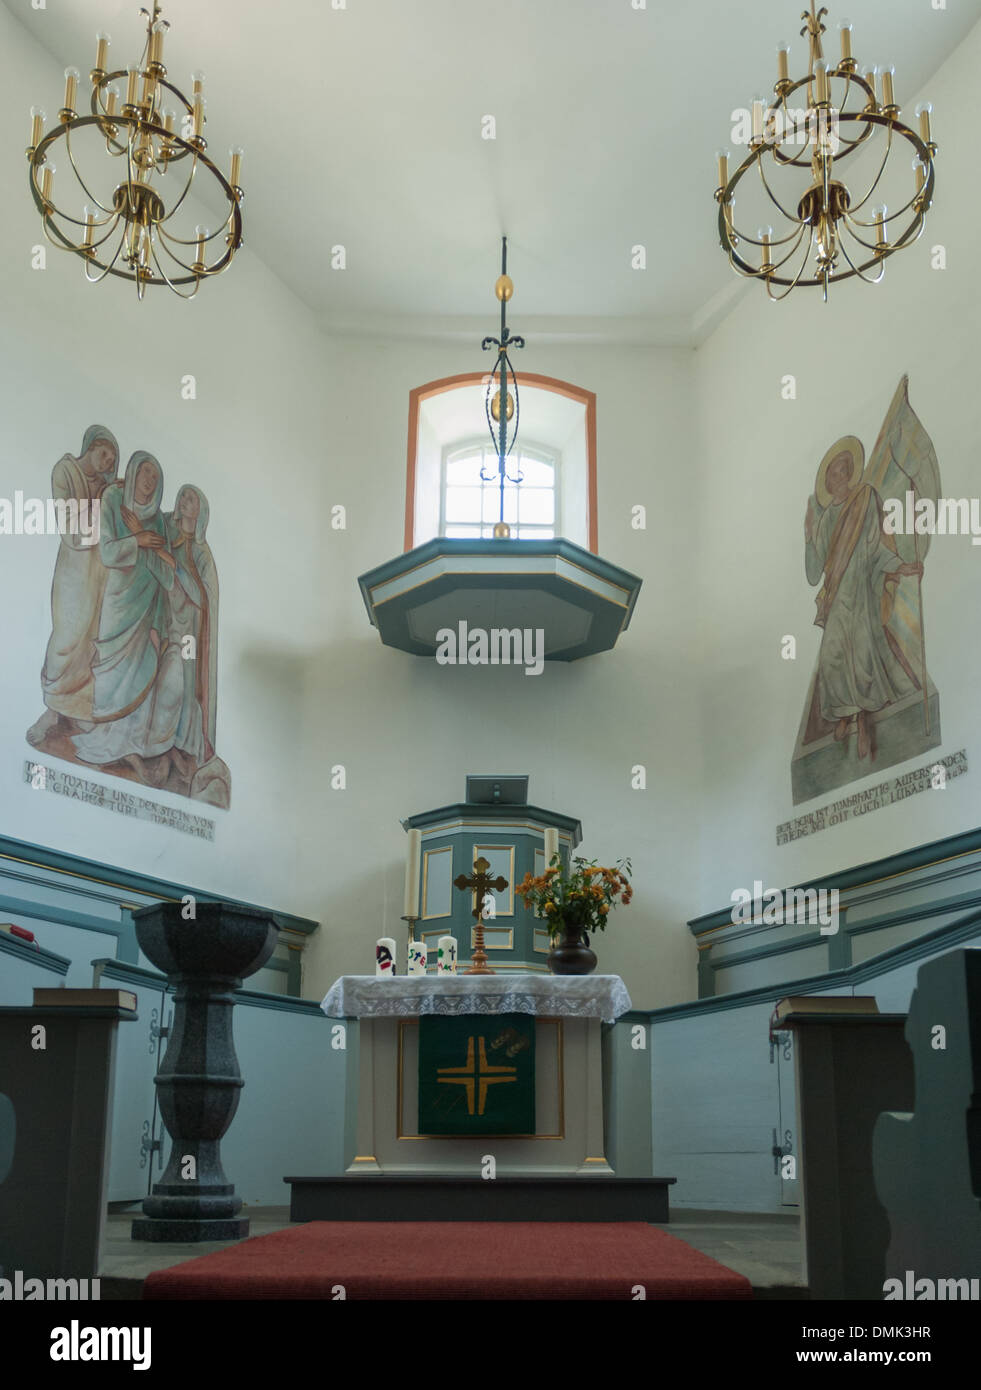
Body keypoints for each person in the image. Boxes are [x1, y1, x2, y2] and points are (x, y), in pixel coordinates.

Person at [804, 438, 923, 761]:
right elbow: (814, 572)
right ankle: (844, 713)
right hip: (836, 597)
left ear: (851, 472)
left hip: (861, 592)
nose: (837, 478)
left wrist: (900, 566)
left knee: (863, 659)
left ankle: (864, 723)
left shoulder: (865, 499)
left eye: (842, 471)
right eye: (832, 475)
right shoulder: (829, 517)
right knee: (831, 659)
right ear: (828, 482)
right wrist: (809, 535)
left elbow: (875, 546)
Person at [71, 452, 177, 779]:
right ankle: (104, 738)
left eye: (154, 477)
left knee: (141, 673)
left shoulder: (158, 519)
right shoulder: (114, 498)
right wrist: (138, 540)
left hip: (146, 606)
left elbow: (167, 574)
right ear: (133, 472)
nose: (148, 481)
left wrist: (149, 545)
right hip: (119, 600)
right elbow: (108, 552)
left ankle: (129, 745)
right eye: (144, 473)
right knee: (111, 668)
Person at [27, 425, 120, 747]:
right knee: (67, 636)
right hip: (74, 569)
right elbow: (72, 530)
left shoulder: (107, 486)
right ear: (90, 447)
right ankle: (51, 708)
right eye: (103, 453)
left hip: (100, 572)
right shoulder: (65, 471)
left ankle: (75, 708)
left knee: (90, 640)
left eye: (112, 458)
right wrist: (104, 501)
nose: (108, 462)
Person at [163, 484, 219, 781]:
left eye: (192, 500)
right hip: (163, 618)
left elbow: (203, 596)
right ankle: (156, 741)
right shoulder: (166, 533)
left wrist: (176, 567)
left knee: (184, 684)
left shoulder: (201, 552)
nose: (185, 502)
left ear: (201, 513)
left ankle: (182, 743)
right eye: (184, 496)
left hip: (188, 630)